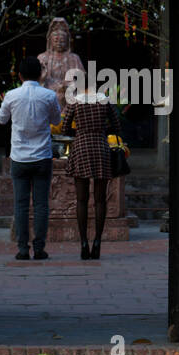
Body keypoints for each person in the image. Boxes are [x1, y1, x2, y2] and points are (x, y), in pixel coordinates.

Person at [0, 55, 61, 260]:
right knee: (41, 204)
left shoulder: (12, 95)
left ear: (19, 75)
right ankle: (40, 248)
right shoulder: (49, 95)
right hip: (42, 156)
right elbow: (56, 120)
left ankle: (23, 249)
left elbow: (1, 120)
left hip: (19, 157)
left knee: (21, 204)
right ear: (41, 74)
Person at [59, 79, 121, 260]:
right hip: (101, 147)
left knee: (81, 199)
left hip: (81, 147)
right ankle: (98, 242)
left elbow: (64, 128)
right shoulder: (105, 100)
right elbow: (117, 126)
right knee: (100, 199)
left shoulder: (75, 101)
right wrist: (101, 129)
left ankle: (84, 242)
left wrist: (79, 133)